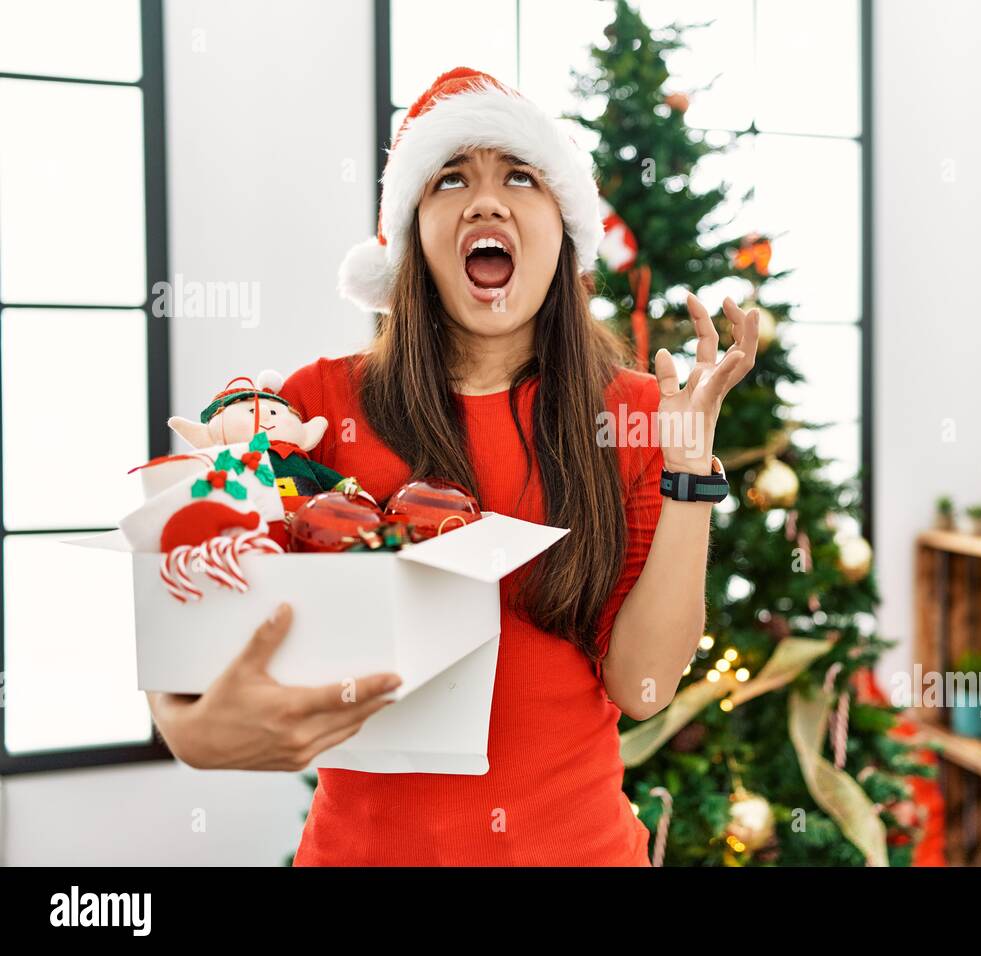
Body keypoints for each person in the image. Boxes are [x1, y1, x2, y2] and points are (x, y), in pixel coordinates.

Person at [146, 66, 757, 866]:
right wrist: (189, 729)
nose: (486, 200)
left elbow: (644, 687)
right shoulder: (319, 403)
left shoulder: (637, 411)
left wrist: (689, 474)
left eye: (519, 175)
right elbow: (194, 610)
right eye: (449, 179)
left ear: (565, 232)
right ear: (412, 237)